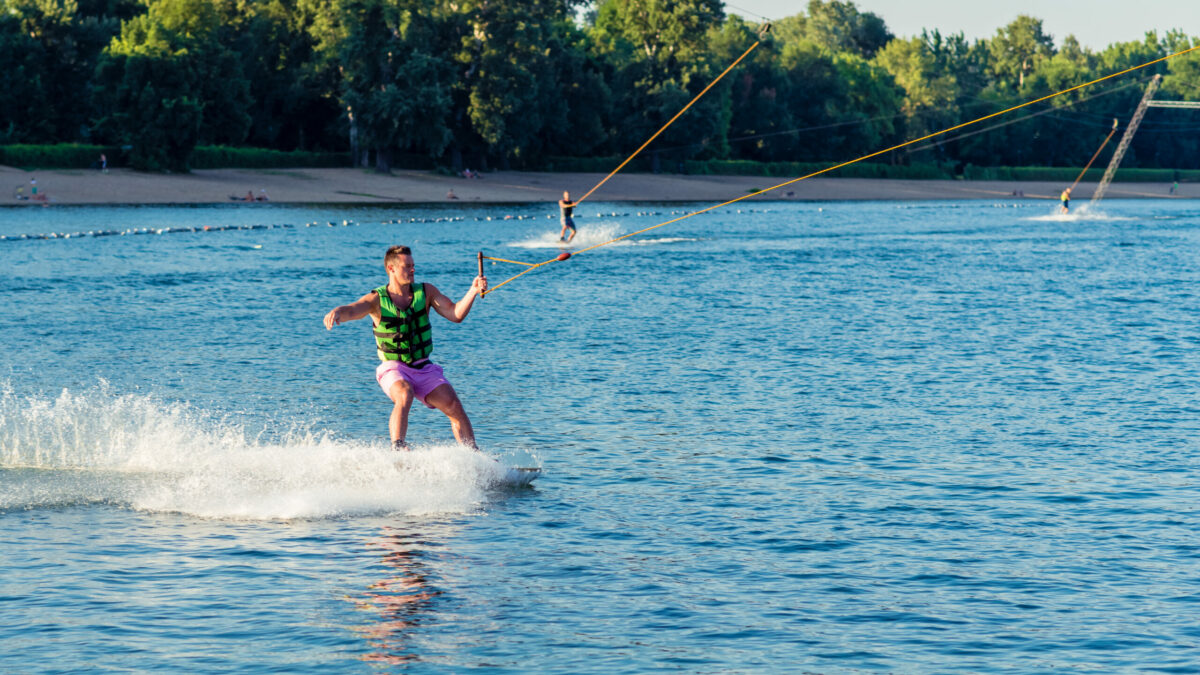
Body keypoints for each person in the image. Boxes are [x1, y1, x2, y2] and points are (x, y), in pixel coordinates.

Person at [323, 245, 487, 451]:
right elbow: (355, 309)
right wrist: (338, 311)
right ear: (391, 269)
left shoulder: (426, 292)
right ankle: (398, 449)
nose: (412, 270)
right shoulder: (377, 299)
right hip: (394, 367)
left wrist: (473, 290)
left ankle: (474, 458)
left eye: (413, 266)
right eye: (406, 266)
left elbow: (456, 314)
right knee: (404, 393)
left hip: (424, 367)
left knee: (454, 406)